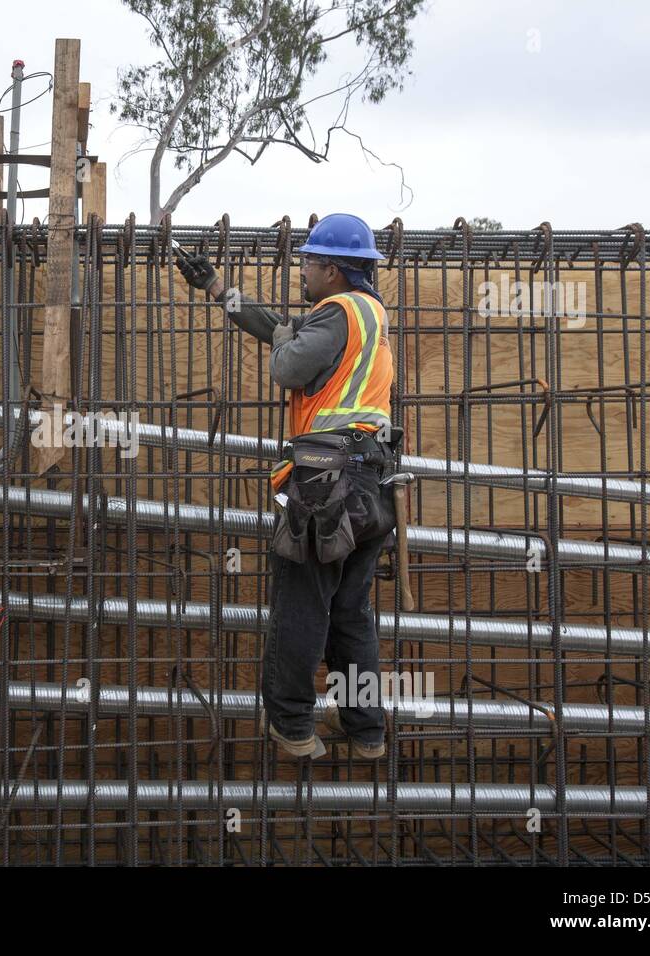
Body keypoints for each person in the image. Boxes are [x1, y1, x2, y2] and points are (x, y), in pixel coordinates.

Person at [176, 214, 397, 760]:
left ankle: (293, 725)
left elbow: (287, 366)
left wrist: (281, 339)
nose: (301, 269)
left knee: (302, 603)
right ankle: (366, 729)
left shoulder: (338, 313)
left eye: (307, 262)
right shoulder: (364, 316)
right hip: (369, 479)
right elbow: (281, 325)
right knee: (351, 611)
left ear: (332, 269)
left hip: (326, 481)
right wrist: (219, 291)